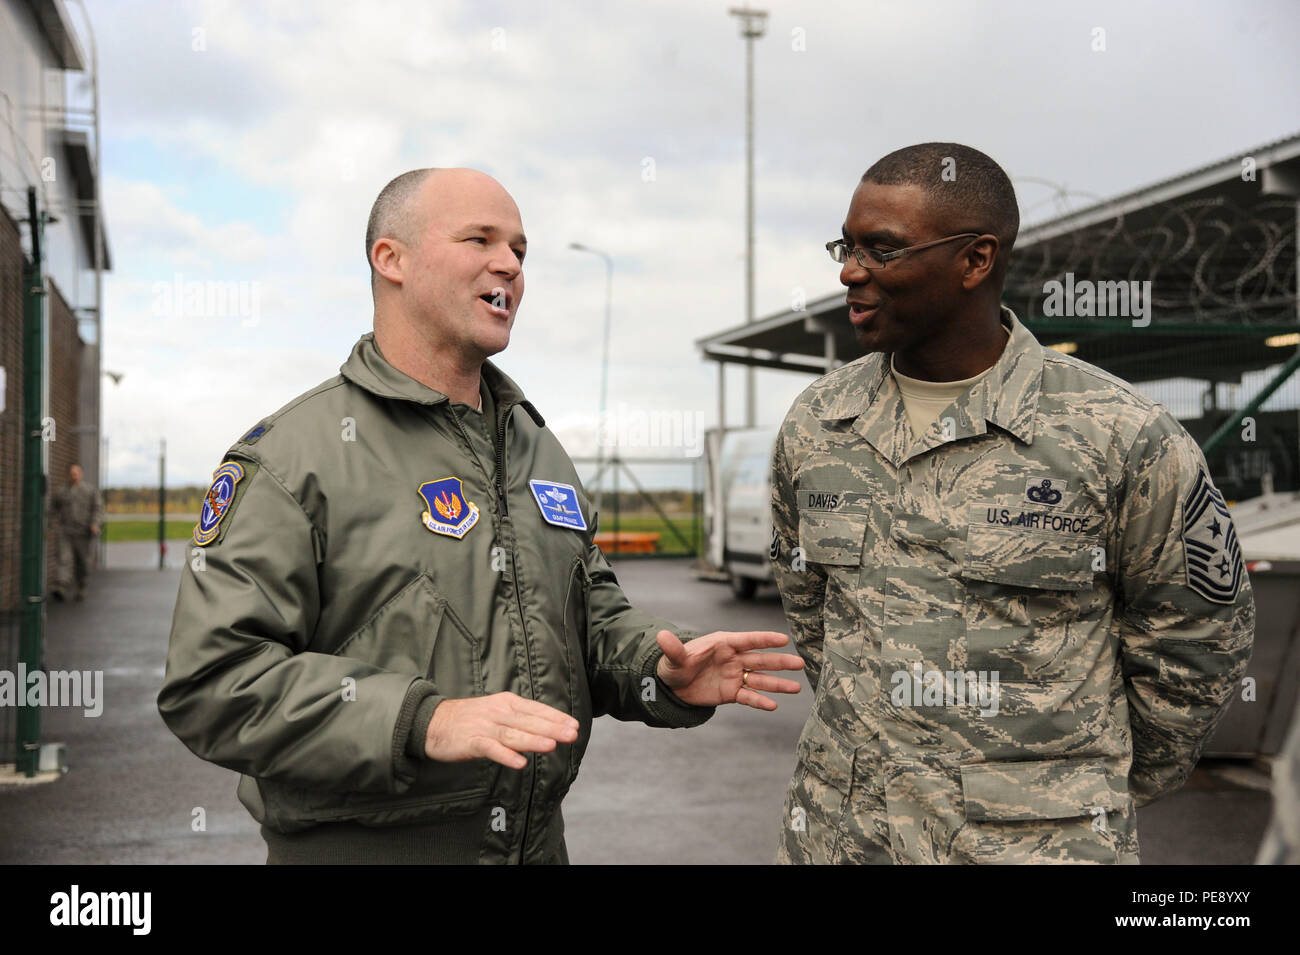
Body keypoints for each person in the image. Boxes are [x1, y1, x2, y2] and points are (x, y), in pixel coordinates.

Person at [157, 167, 804, 864]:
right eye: (480, 239)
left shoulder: (536, 445)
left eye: (520, 250)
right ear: (391, 259)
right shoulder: (295, 456)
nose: (510, 264)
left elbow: (591, 618)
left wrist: (659, 665)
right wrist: (418, 720)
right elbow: (214, 681)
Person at [768, 143, 1255, 864]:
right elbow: (810, 608)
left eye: (883, 248)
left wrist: (1071, 793)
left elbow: (1196, 645)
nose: (850, 270)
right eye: (847, 244)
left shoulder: (1117, 434)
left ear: (976, 260)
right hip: (844, 839)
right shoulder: (819, 424)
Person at [51, 463, 103, 601]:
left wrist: (95, 524)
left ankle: (82, 586)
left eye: (76, 473)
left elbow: (98, 509)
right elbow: (52, 510)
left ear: (81, 474)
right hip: (65, 531)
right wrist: (50, 526)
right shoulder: (61, 492)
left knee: (82, 562)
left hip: (83, 532)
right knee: (64, 558)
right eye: (71, 473)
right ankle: (61, 586)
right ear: (68, 475)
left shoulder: (90, 491)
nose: (74, 475)